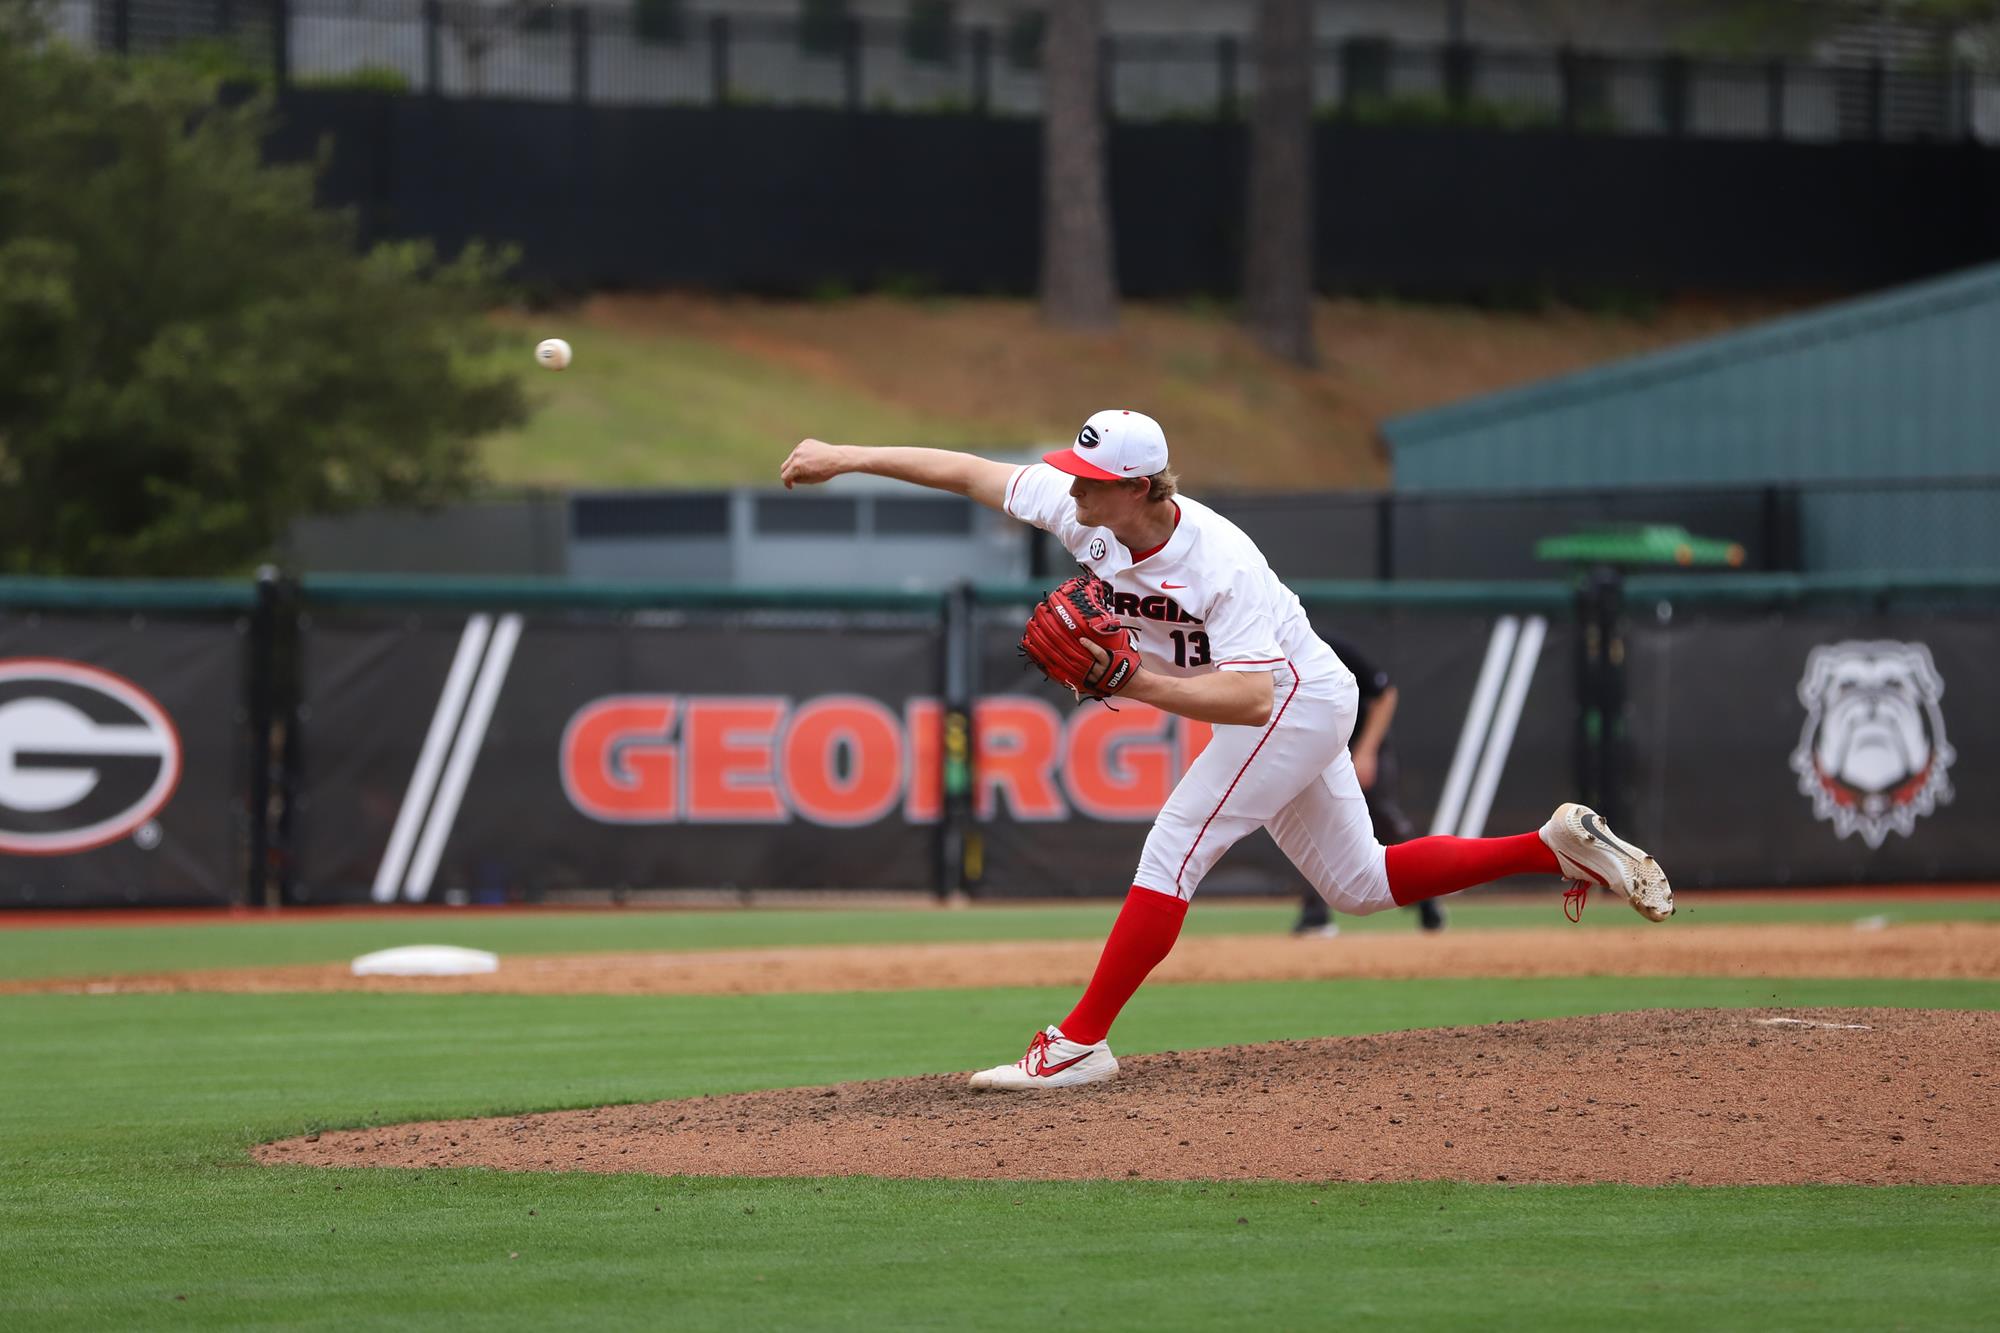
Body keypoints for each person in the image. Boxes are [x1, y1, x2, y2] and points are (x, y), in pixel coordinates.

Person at [779, 410, 1672, 1092]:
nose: (1072, 489)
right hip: (1281, 700)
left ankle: (1078, 1043)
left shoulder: (1221, 562)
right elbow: (972, 472)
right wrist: (848, 457)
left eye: (1091, 480)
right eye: (1074, 474)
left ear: (1142, 489)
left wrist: (1133, 686)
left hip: (1293, 699)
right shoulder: (1084, 510)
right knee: (1359, 884)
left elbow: (1251, 695)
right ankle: (1550, 845)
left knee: (1174, 843)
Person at [1289, 634, 1444, 936]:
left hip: (1361, 744)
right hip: (1320, 747)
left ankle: (1426, 896)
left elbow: (1386, 694)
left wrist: (1366, 751)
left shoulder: (1329, 647)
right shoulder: (1271, 654)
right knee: (1313, 822)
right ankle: (1315, 913)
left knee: (1385, 823)